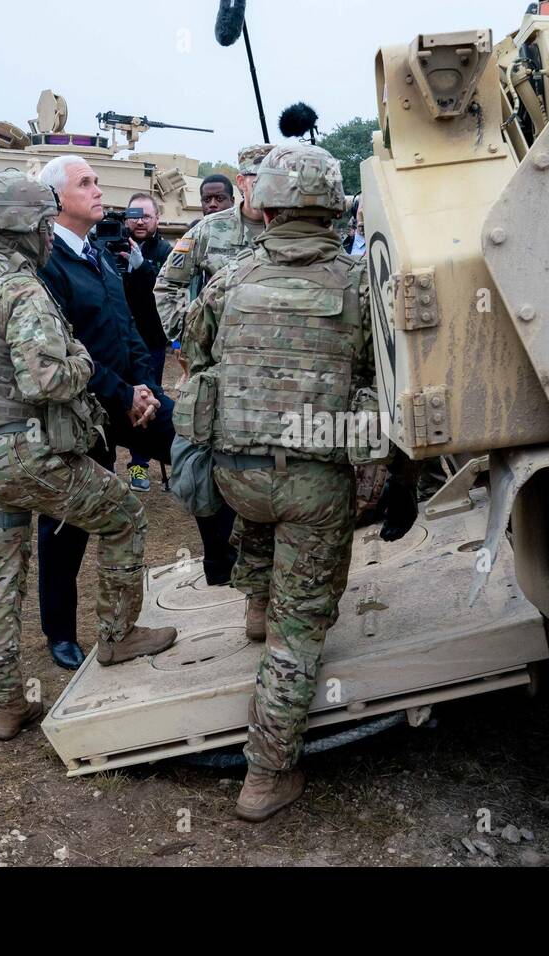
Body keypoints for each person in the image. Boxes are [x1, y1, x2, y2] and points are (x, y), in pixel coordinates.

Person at [183, 144, 419, 821]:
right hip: (315, 484)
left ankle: (255, 605)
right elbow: (387, 378)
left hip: (236, 473)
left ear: (271, 205)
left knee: (257, 520)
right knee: (300, 635)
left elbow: (197, 356)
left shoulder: (228, 280)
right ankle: (265, 775)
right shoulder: (357, 284)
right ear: (330, 206)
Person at [0, 171, 176, 740]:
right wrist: (86, 365)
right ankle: (118, 636)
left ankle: (6, 705)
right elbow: (47, 379)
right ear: (27, 228)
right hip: (24, 450)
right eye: (43, 222)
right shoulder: (26, 290)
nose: (49, 233)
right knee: (124, 514)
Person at [33, 155, 235, 670]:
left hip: (132, 398)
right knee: (69, 519)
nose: (99, 191)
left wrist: (145, 385)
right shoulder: (47, 264)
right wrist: (122, 392)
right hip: (81, 410)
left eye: (97, 181)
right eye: (86, 183)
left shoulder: (100, 254)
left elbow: (128, 331)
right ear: (57, 199)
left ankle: (223, 566)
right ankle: (60, 631)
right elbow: (66, 348)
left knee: (196, 449)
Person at [153, 144, 273, 359]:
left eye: (274, 179)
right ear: (241, 182)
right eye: (258, 180)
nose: (268, 187)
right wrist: (189, 336)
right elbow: (167, 283)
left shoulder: (293, 228)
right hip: (221, 353)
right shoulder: (208, 228)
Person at [119, 192, 172, 491]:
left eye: (146, 215)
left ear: (156, 219)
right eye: (134, 215)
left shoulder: (164, 252)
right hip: (116, 339)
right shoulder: (112, 246)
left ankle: (139, 465)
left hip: (149, 339)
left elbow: (165, 291)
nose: (139, 221)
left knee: (148, 399)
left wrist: (143, 269)